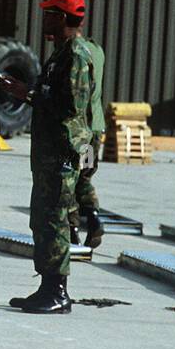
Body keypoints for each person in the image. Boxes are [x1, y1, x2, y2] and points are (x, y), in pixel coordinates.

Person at [0, 0, 93, 314]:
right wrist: (25, 92)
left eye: (51, 14)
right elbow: (49, 93)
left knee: (54, 220)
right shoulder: (61, 53)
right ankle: (47, 287)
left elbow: (71, 106)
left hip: (61, 153)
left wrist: (30, 94)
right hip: (48, 153)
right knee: (42, 218)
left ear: (65, 18)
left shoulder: (77, 56)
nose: (45, 18)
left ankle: (58, 292)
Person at [70, 34, 106, 249]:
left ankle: (73, 230)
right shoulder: (97, 50)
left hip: (81, 130)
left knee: (71, 178)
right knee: (84, 176)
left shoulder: (74, 53)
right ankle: (93, 217)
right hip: (95, 129)